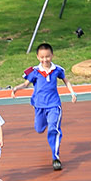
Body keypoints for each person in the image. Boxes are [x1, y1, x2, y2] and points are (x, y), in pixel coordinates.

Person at [13, 41, 77, 170]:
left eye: (47, 56)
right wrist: (16, 89)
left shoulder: (57, 70)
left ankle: (56, 157)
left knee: (54, 128)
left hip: (54, 105)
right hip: (39, 105)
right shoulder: (34, 71)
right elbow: (26, 84)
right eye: (42, 57)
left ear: (52, 55)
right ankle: (47, 122)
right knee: (39, 128)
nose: (45, 59)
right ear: (38, 57)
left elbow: (66, 80)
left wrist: (72, 92)